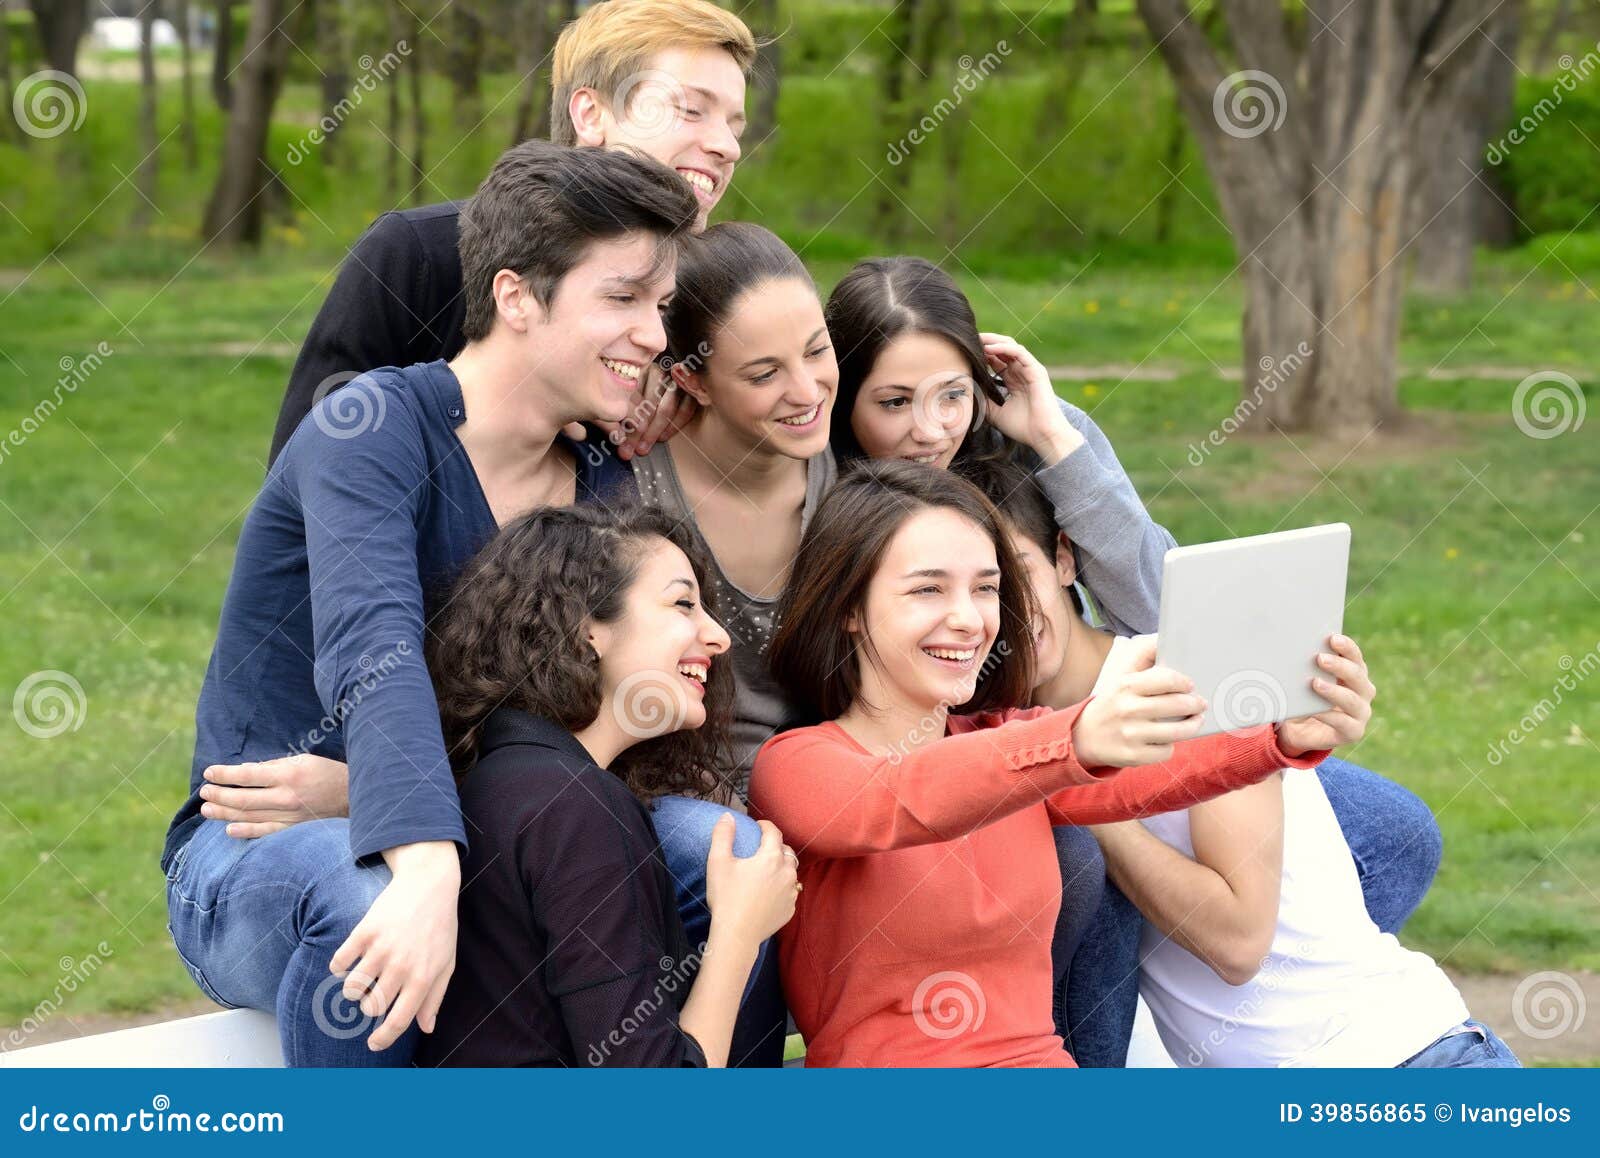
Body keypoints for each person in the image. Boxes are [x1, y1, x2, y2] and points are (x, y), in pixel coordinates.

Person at [825, 255, 1444, 1061]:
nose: (931, 429)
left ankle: (1272, 1027)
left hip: (1083, 703)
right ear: (846, 403)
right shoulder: (842, 496)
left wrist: (1054, 438)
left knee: (1395, 831)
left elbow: (1174, 620)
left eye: (952, 395)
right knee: (1089, 856)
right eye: (894, 402)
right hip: (961, 738)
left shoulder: (1030, 443)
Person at [161, 140, 698, 1066]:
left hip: (492, 827)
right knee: (370, 899)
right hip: (255, 849)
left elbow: (592, 726)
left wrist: (387, 797)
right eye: (622, 299)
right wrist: (418, 846)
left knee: (715, 852)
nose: (654, 335)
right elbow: (376, 656)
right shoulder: (367, 429)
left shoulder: (608, 484)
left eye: (659, 305)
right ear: (517, 297)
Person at [748, 460, 1375, 1067]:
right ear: (849, 608)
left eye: (987, 588)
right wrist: (1074, 740)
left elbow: (1159, 771)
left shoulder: (1013, 746)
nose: (969, 619)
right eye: (927, 589)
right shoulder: (798, 765)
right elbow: (893, 800)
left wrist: (1282, 733)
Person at [973, 471, 1517, 1068]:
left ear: (1064, 559)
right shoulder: (1002, 739)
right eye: (980, 590)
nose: (1007, 615)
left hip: (1405, 1062)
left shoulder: (1193, 673)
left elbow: (1238, 942)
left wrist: (1077, 794)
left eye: (1016, 575)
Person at [267, 0, 756, 465]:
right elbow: (306, 468)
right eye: (692, 109)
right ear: (591, 115)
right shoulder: (416, 255)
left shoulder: (712, 298)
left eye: (735, 126)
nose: (727, 147)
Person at [415, 504, 799, 1067]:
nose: (718, 637)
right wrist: (738, 934)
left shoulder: (503, 780)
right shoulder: (577, 806)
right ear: (585, 626)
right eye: (683, 604)